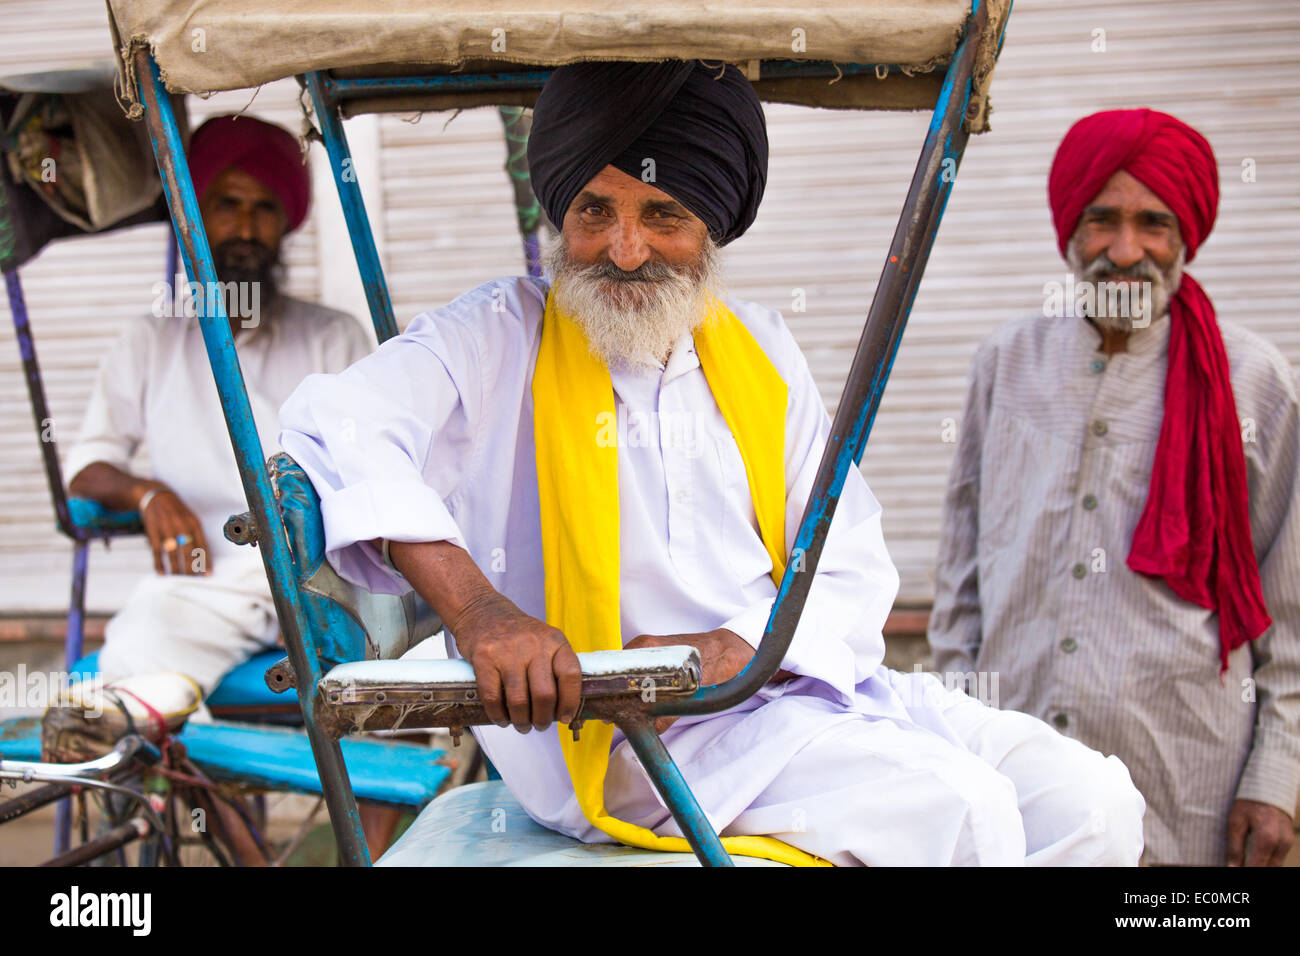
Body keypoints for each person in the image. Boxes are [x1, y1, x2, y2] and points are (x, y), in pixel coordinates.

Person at [279, 61, 1145, 866]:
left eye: (663, 214)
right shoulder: (495, 335)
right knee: (962, 810)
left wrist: (738, 648)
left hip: (793, 686)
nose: (625, 249)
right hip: (629, 734)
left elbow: (845, 559)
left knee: (1095, 802)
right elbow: (334, 427)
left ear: (712, 224)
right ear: (560, 213)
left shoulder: (761, 347)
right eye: (594, 212)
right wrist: (480, 612)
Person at [929, 109, 1299, 866]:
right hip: (1013, 776)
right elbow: (961, 577)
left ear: (1185, 235)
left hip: (1185, 786)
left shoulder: (1254, 384)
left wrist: (1279, 774)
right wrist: (952, 729)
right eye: (1103, 221)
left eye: (1152, 224)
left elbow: (1291, 611)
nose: (1126, 251)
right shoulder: (1006, 363)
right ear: (1071, 229)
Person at [60, 114, 372, 707]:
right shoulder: (150, 343)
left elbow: (372, 469)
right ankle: (177, 774)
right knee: (145, 634)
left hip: (325, 580)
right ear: (196, 217)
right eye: (227, 204)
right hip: (211, 588)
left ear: (286, 223)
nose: (246, 228)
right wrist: (147, 494)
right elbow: (88, 464)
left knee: (418, 664)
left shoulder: (334, 337)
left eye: (265, 208)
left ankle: (384, 802)